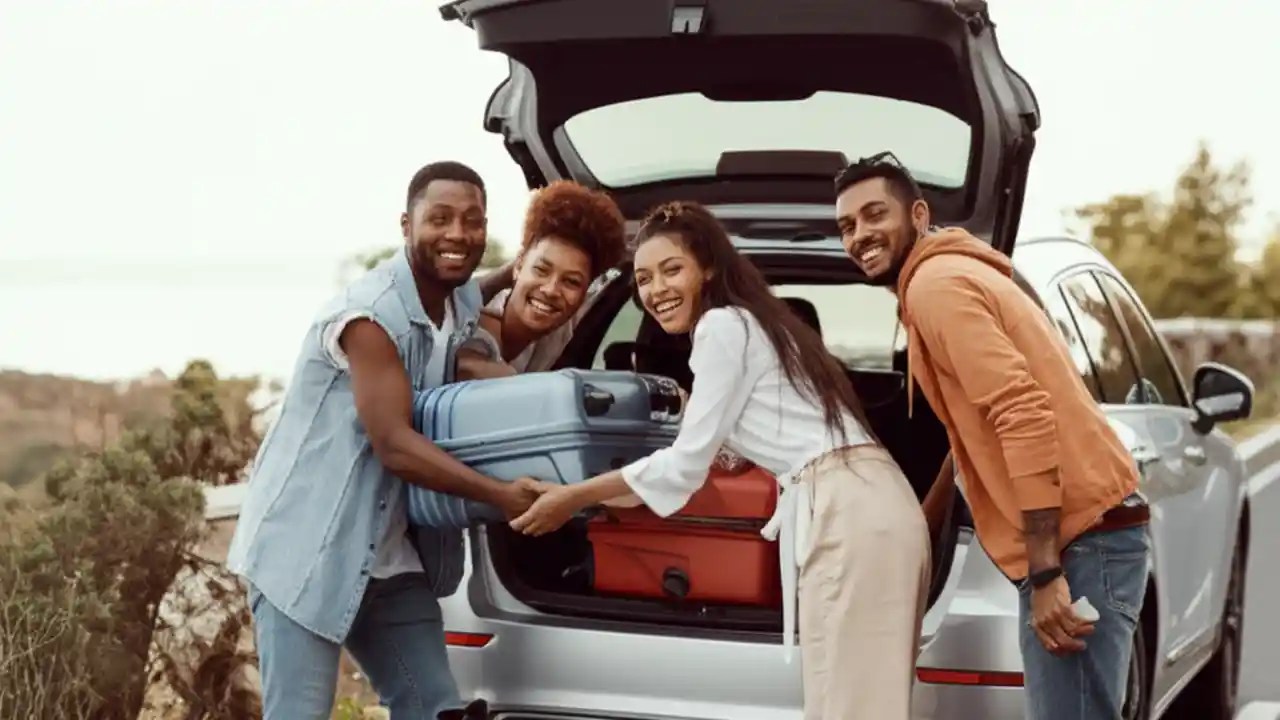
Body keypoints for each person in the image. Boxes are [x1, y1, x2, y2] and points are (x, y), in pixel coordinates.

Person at [509, 201, 931, 720]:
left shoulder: (721, 328)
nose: (655, 290)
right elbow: (720, 452)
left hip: (850, 514)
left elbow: (683, 468)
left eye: (671, 270)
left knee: (851, 708)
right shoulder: (754, 324)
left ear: (707, 266)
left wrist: (573, 495)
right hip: (868, 507)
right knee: (851, 703)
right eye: (643, 278)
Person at [834, 152, 1150, 720]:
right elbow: (970, 436)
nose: (859, 235)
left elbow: (1022, 413)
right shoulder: (945, 278)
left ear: (920, 215)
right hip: (1088, 537)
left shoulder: (936, 288)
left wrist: (1047, 569)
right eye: (847, 226)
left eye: (874, 214)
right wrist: (919, 533)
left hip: (1079, 544)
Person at [226, 161, 540, 720]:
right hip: (308, 551)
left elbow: (481, 284)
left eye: (471, 221)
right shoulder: (368, 318)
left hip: (388, 557)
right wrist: (499, 495)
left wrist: (538, 267)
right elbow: (393, 444)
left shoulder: (454, 297)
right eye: (439, 219)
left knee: (435, 708)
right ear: (405, 224)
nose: (457, 234)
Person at [456, 179, 627, 379]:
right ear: (518, 266)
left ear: (586, 292)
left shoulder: (562, 331)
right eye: (541, 270)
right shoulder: (473, 331)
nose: (551, 290)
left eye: (571, 282)